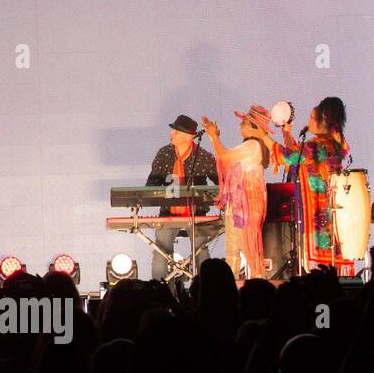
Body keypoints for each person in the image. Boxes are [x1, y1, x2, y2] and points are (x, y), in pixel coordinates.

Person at [144, 114, 219, 281]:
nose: (171, 134)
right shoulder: (164, 154)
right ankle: (159, 291)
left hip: (196, 213)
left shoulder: (203, 156)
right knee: (160, 252)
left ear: (188, 137)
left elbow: (220, 182)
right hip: (168, 212)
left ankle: (205, 288)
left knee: (201, 251)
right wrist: (155, 191)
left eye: (176, 132)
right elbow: (152, 184)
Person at [278, 97, 350, 271]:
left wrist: (264, 136)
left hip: (318, 210)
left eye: (311, 116)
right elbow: (300, 158)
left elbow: (289, 157)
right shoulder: (336, 143)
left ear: (324, 117)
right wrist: (287, 134)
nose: (309, 120)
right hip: (333, 209)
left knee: (321, 266)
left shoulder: (317, 145)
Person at [202, 106, 271, 279]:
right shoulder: (249, 145)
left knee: (250, 249)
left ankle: (258, 287)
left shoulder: (253, 145)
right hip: (239, 203)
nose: (240, 125)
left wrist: (214, 137)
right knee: (233, 249)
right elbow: (227, 162)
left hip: (248, 205)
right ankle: (230, 286)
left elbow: (224, 158)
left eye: (244, 123)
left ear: (255, 127)